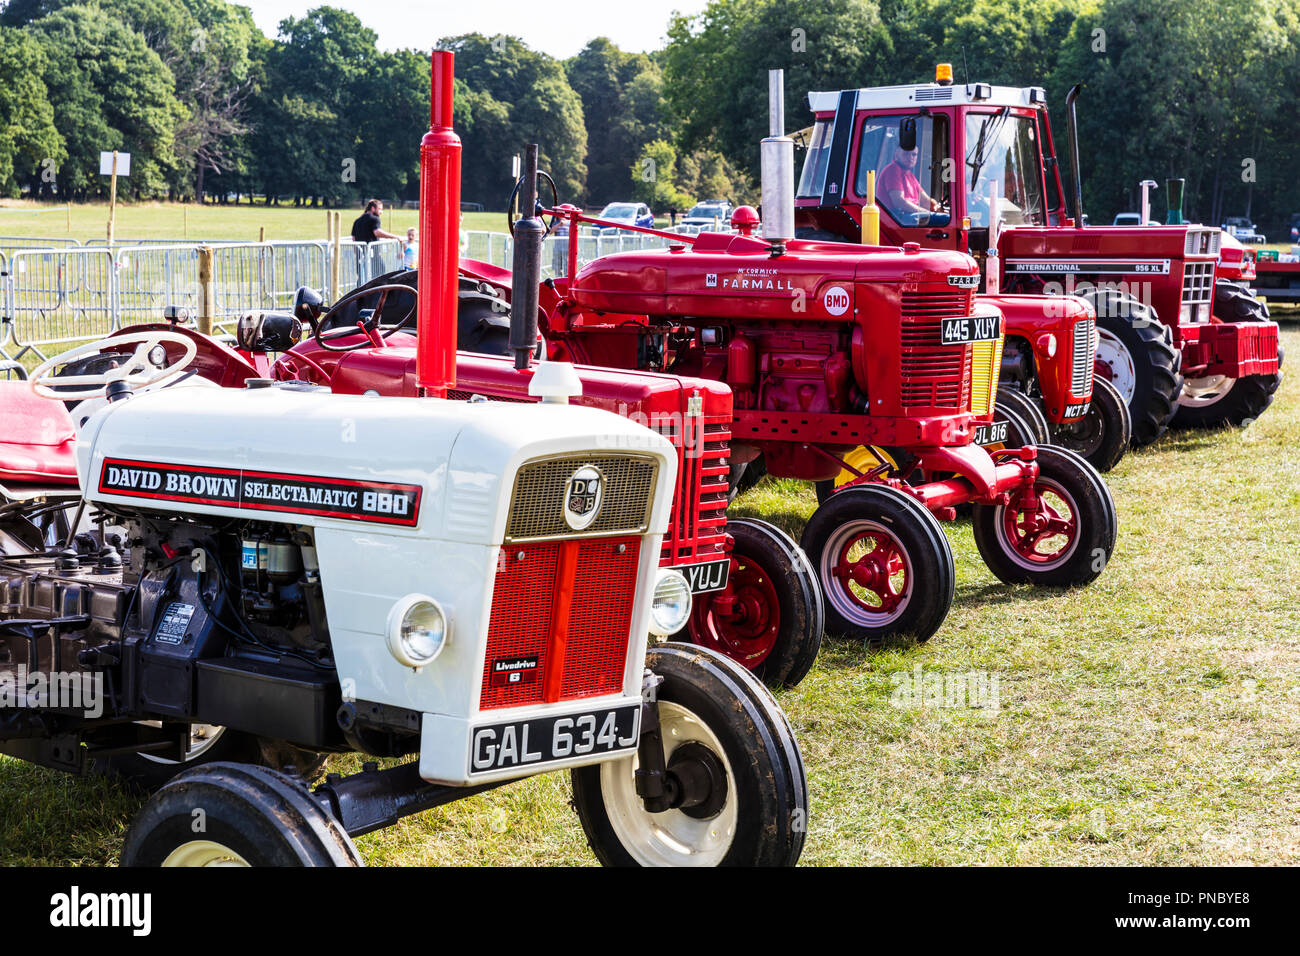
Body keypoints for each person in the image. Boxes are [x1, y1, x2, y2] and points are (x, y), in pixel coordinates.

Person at [877, 145, 947, 226]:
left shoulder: (909, 175)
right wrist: (928, 213)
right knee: (946, 220)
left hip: (909, 215)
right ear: (896, 155)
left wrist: (938, 207)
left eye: (914, 155)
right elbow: (899, 202)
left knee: (948, 217)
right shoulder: (893, 170)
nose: (910, 157)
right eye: (906, 154)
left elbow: (925, 200)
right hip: (898, 217)